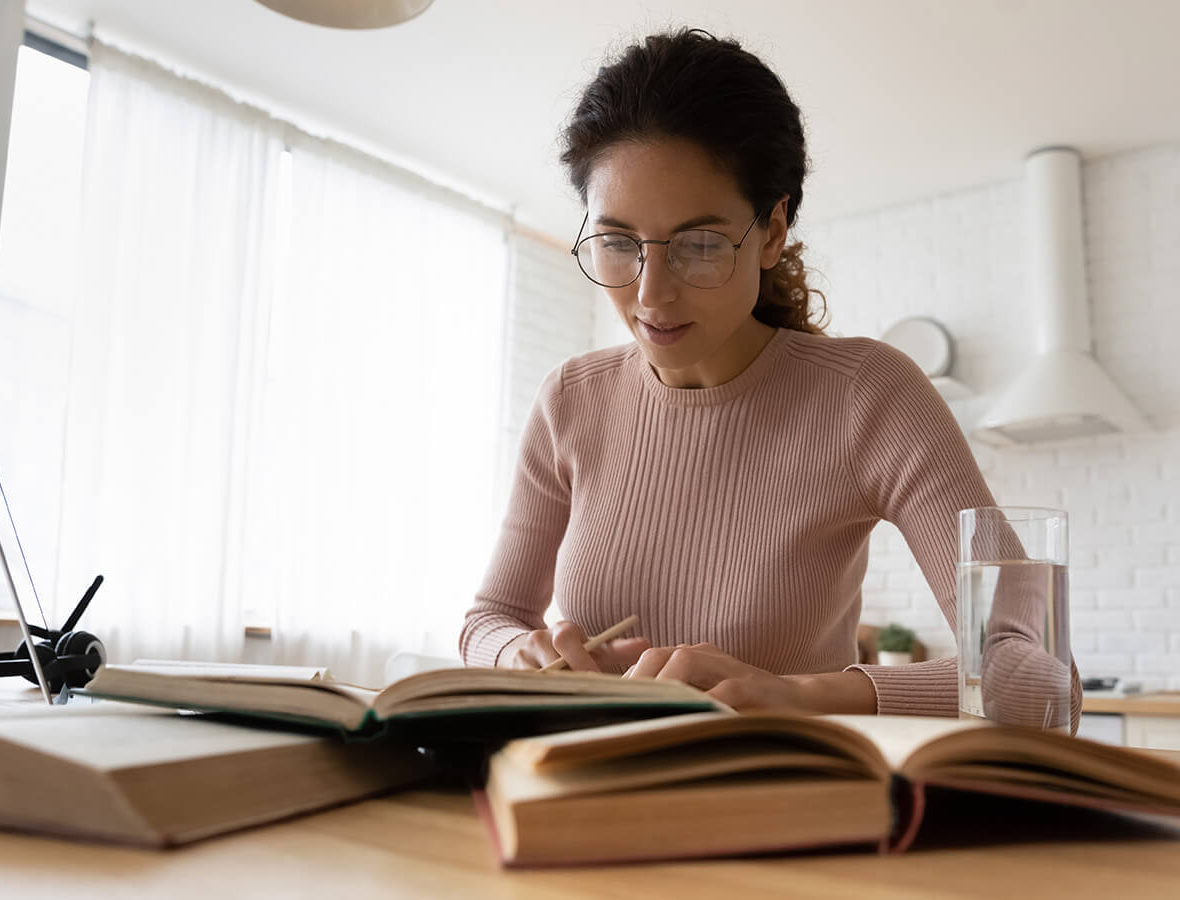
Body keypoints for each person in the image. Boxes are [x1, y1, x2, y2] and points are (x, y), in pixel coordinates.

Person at [460, 28, 1080, 726]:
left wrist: (799, 695)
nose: (651, 293)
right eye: (617, 242)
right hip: (581, 780)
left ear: (774, 230)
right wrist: (522, 654)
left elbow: (1043, 677)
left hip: (788, 788)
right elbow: (490, 618)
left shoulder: (869, 395)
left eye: (699, 245)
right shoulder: (570, 400)